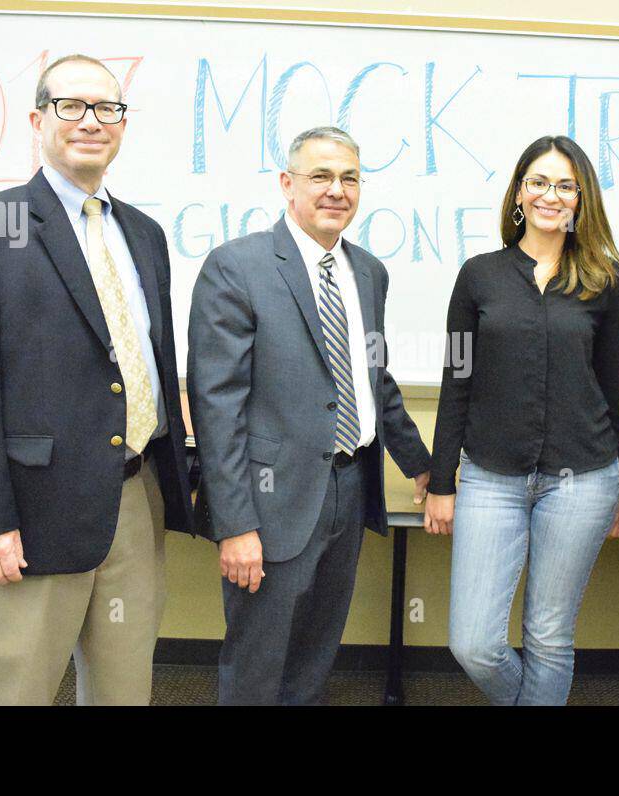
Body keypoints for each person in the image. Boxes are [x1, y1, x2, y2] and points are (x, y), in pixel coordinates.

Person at [0, 54, 194, 705]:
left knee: (123, 689)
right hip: (27, 514)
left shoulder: (145, 234)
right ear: (37, 120)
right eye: (71, 106)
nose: (91, 120)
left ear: (122, 124)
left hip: (135, 500)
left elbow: (143, 363)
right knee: (6, 692)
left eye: (107, 108)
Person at [188, 126, 432, 705]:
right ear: (287, 185)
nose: (336, 190)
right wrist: (236, 524)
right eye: (320, 176)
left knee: (315, 654)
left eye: (349, 178)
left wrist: (422, 462)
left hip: (350, 487)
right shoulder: (236, 267)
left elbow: (374, 381)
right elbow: (216, 407)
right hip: (270, 501)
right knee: (258, 663)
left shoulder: (369, 272)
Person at [424, 135, 619, 705]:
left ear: (581, 199)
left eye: (566, 185)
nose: (551, 194)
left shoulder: (608, 282)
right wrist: (442, 481)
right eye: (539, 181)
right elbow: (456, 378)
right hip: (491, 477)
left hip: (584, 478)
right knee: (474, 643)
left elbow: (611, 390)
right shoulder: (478, 276)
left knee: (547, 635)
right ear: (520, 192)